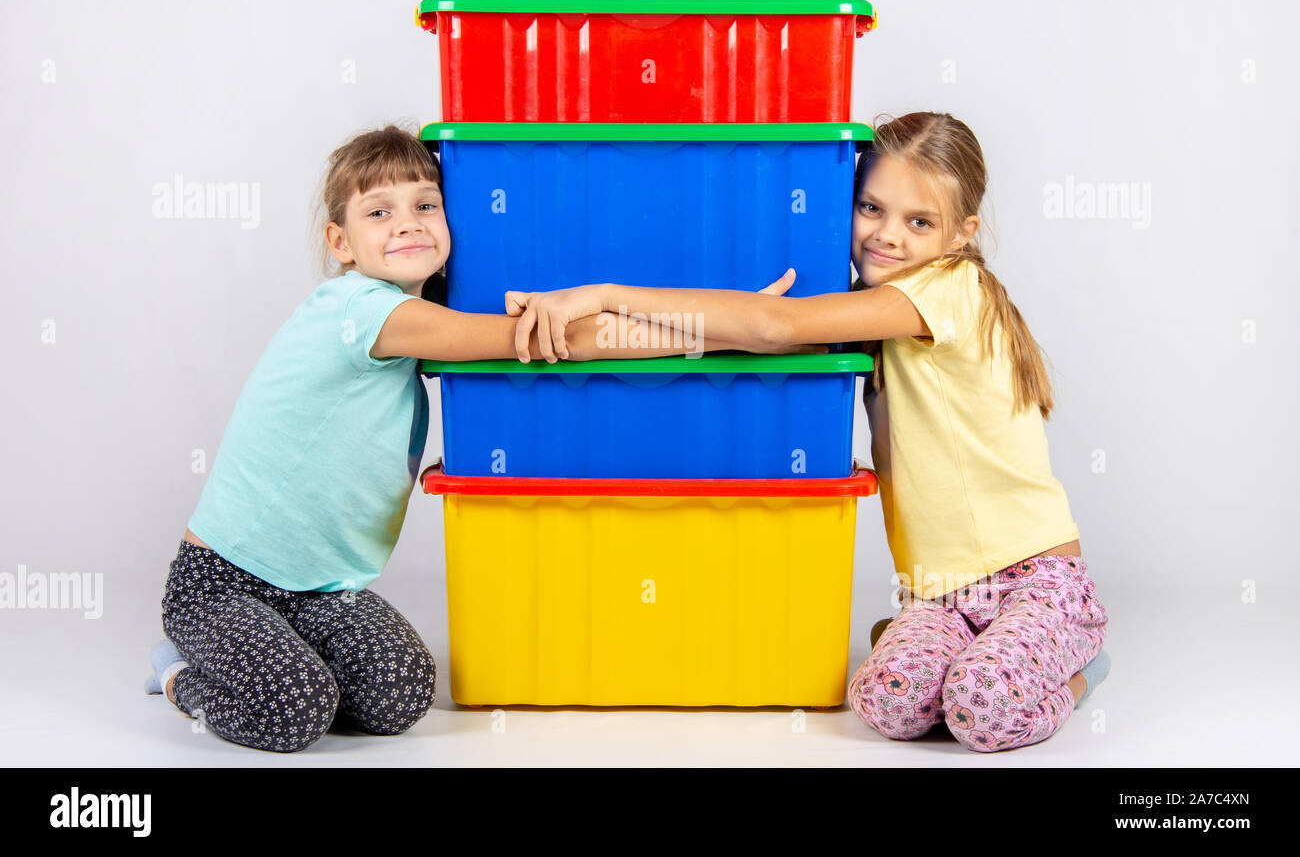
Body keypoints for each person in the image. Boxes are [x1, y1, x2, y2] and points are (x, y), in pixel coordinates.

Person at [144, 123, 807, 752]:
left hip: (320, 589)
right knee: (295, 711)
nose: (407, 222)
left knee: (403, 695)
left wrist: (733, 326)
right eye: (379, 212)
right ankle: (178, 675)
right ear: (340, 244)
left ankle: (283, 653)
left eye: (425, 204)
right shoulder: (359, 312)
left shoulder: (417, 322)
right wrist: (734, 328)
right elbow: (559, 342)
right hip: (224, 581)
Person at [503, 111, 1111, 752]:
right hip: (937, 591)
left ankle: (1080, 666)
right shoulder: (864, 306)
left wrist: (600, 292)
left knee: (981, 710)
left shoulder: (951, 288)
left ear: (963, 234)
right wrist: (582, 335)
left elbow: (773, 328)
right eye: (871, 208)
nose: (887, 236)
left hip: (1036, 578)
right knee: (886, 705)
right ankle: (956, 652)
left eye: (919, 222)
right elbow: (740, 330)